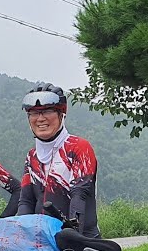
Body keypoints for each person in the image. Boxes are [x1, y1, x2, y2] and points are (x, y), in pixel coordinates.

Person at [16, 82, 102, 238]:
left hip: (80, 241)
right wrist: (19, 234)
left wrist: (72, 235)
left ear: (61, 114)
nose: (40, 118)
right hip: (42, 243)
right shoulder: (32, 156)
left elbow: (79, 196)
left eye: (48, 111)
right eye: (34, 113)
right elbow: (26, 202)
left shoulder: (78, 147)